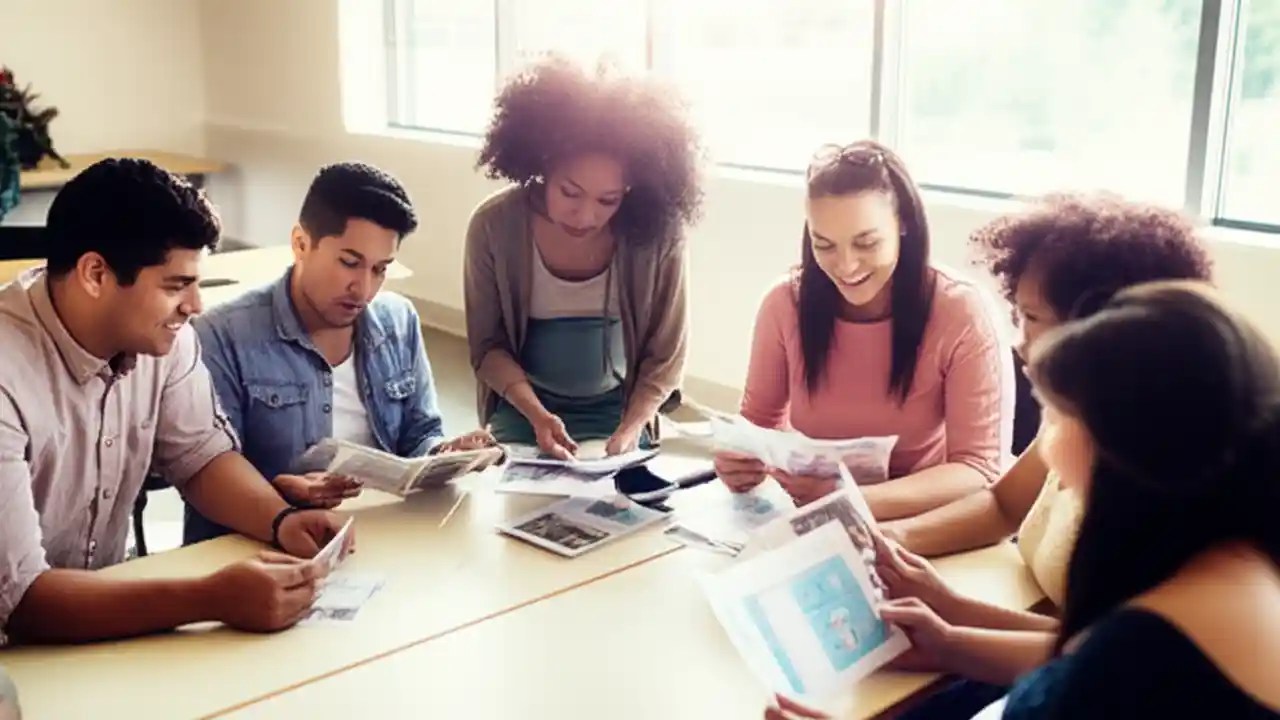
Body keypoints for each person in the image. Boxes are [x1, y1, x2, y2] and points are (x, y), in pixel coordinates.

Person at [767, 282, 1280, 719]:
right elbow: (1088, 648)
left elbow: (1105, 666)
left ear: (1120, 452)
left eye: (1053, 420)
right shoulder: (1231, 571)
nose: (1047, 449)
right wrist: (951, 629)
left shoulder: (1134, 656)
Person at [0, 158, 347, 646]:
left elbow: (200, 455)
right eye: (176, 285)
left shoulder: (160, 335)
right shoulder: (6, 371)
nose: (195, 305)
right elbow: (22, 602)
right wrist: (210, 598)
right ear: (95, 273)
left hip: (100, 622)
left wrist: (281, 518)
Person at [186, 162, 495, 544]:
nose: (363, 289)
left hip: (381, 533)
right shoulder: (222, 335)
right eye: (349, 263)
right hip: (262, 542)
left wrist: (445, 452)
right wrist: (280, 493)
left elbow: (421, 433)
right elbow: (205, 471)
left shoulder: (399, 320)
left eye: (380, 269)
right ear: (300, 244)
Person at [715, 140, 1012, 515]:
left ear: (903, 222)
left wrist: (847, 499)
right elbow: (758, 424)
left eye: (866, 243)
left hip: (927, 524)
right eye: (824, 245)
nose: (846, 265)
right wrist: (740, 462)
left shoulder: (960, 311)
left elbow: (978, 469)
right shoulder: (784, 303)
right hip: (816, 520)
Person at [464, 55, 704, 460]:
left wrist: (631, 429)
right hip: (524, 408)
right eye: (570, 193)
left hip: (621, 409)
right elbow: (488, 347)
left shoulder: (657, 234)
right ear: (542, 165)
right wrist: (537, 415)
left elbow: (665, 357)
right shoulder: (493, 227)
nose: (586, 216)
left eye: (608, 200)